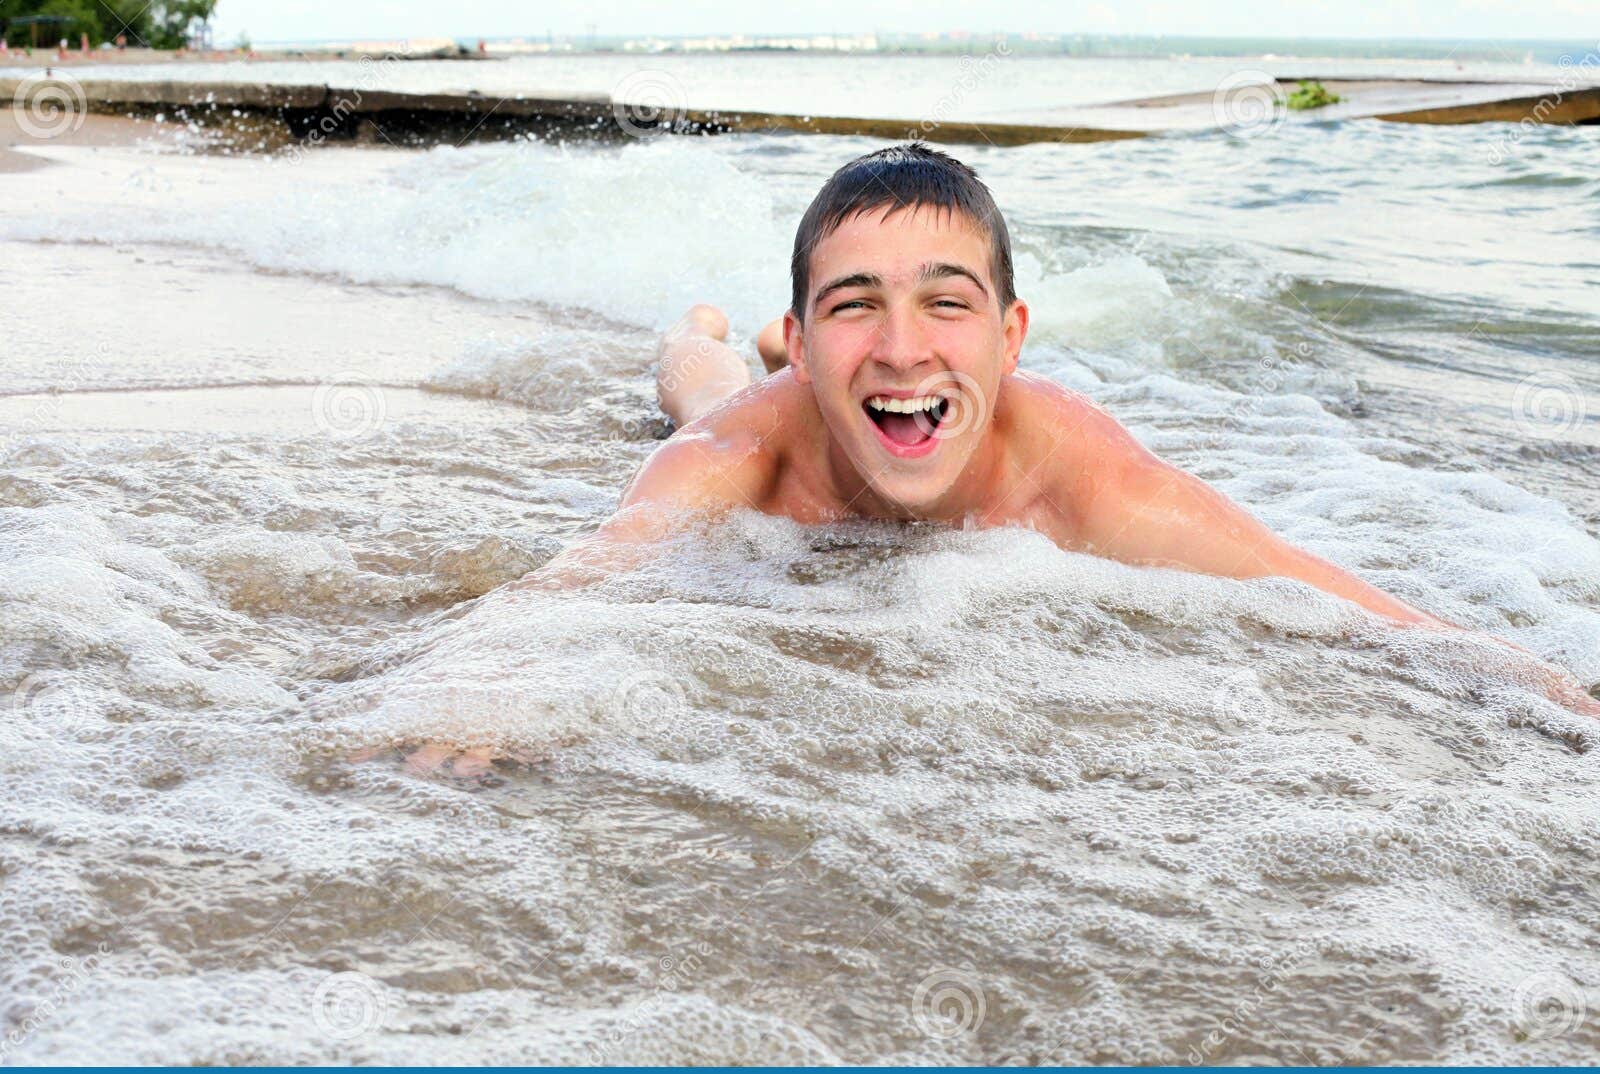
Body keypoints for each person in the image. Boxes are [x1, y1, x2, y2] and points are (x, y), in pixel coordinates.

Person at [403, 143, 1595, 779]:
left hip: (843, 393)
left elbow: (1304, 580)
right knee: (690, 388)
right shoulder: (746, 455)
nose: (908, 342)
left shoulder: (1074, 467)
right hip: (756, 404)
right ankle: (716, 334)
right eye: (855, 304)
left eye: (947, 304)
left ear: (1013, 337)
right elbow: (584, 576)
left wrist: (1519, 676)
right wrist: (480, 691)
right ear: (812, 334)